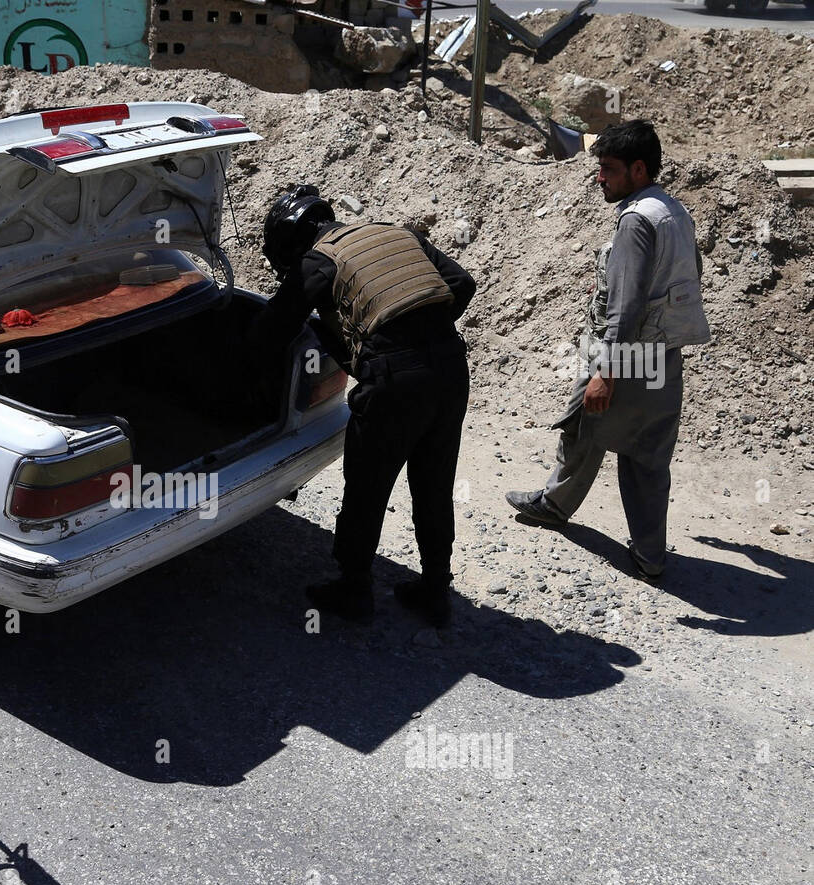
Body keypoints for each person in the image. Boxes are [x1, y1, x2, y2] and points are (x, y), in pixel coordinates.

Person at [253, 184, 477, 626]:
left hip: (396, 380)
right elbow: (461, 283)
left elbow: (271, 329)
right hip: (451, 368)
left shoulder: (319, 260)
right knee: (434, 482)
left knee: (367, 486)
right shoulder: (393, 232)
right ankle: (435, 590)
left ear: (293, 242)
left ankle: (354, 588)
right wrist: (420, 327)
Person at [506, 119, 710, 579]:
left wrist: (606, 371)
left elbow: (625, 303)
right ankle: (644, 549)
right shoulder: (674, 210)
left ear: (639, 170)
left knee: (589, 428)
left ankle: (563, 510)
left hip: (628, 356)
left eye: (610, 170)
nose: (601, 178)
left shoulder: (637, 220)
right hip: (663, 356)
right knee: (645, 454)